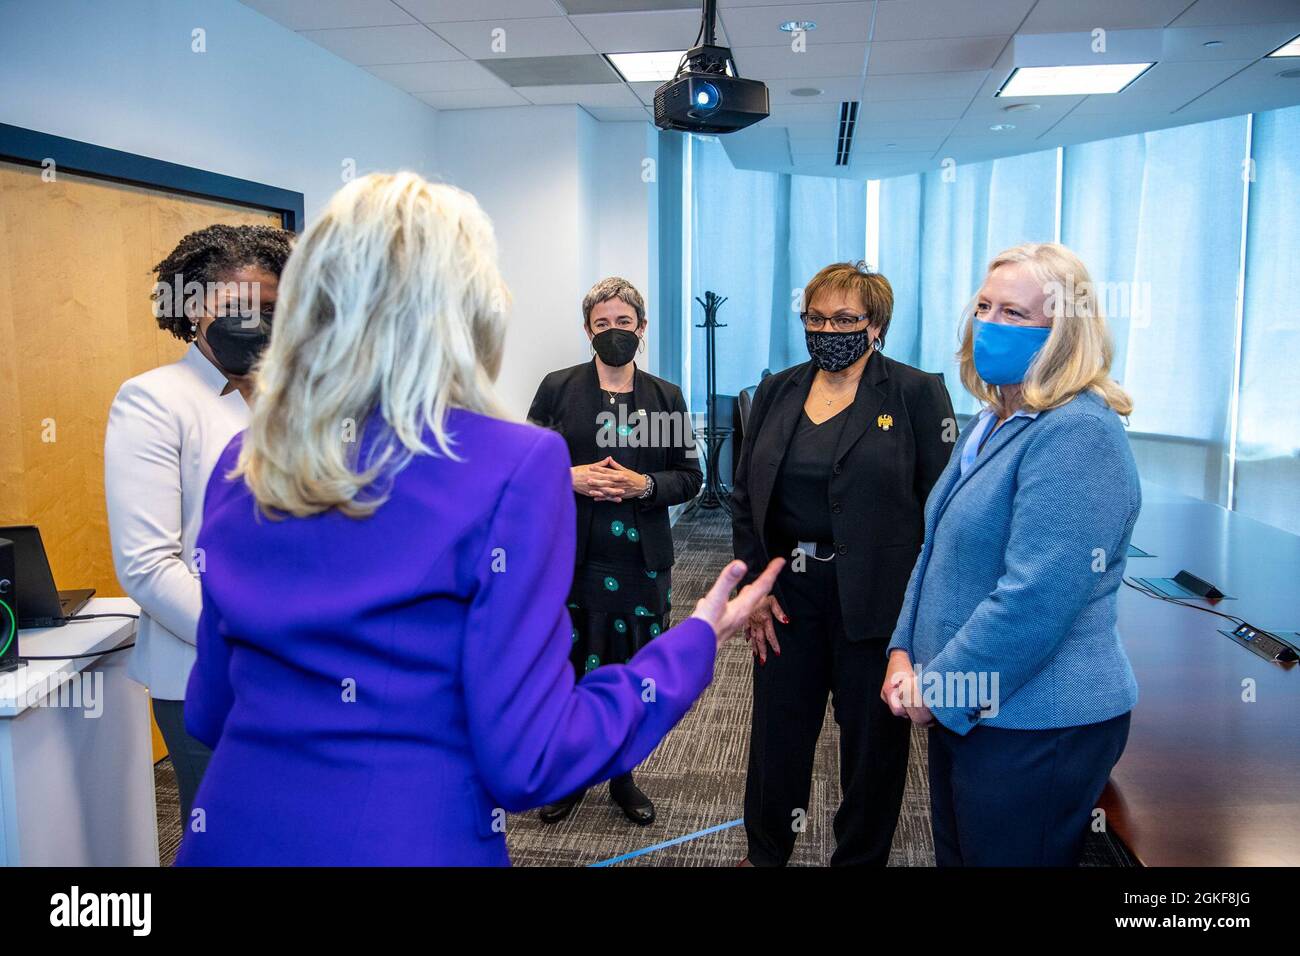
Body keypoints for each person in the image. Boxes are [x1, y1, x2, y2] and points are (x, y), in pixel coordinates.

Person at [174, 172, 782, 866]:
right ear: (471, 311)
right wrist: (697, 639)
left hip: (230, 832)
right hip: (407, 843)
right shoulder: (514, 466)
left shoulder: (244, 459)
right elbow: (532, 760)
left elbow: (208, 713)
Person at [883, 242, 1140, 866]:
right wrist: (901, 651)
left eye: (1016, 314)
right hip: (969, 707)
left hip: (1037, 722)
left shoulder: (1078, 433)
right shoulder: (992, 418)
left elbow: (1034, 602)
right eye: (984, 307)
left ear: (1064, 332)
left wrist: (938, 688)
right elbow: (936, 547)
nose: (991, 324)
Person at [731, 262, 956, 866]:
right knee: (778, 739)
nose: (828, 330)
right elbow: (746, 498)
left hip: (877, 600)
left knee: (872, 750)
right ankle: (766, 853)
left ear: (875, 325)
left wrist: (922, 619)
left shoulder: (915, 393)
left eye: (845, 320)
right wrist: (755, 583)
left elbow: (942, 513)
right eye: (816, 318)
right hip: (788, 598)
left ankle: (859, 860)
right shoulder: (777, 390)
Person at [104, 224, 293, 832]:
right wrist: (257, 638)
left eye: (269, 308)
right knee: (231, 835)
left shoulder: (296, 400)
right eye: (235, 306)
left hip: (303, 664)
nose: (254, 322)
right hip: (205, 672)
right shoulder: (155, 400)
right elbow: (148, 566)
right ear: (192, 307)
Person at [526, 277, 701, 826]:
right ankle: (572, 773)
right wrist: (569, 476)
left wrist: (643, 487)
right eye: (602, 324)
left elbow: (690, 477)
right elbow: (527, 465)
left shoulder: (666, 397)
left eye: (624, 323)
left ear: (641, 329)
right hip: (573, 557)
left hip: (640, 561)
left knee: (631, 670)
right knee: (571, 666)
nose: (613, 332)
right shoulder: (558, 388)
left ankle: (623, 775)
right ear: (588, 331)